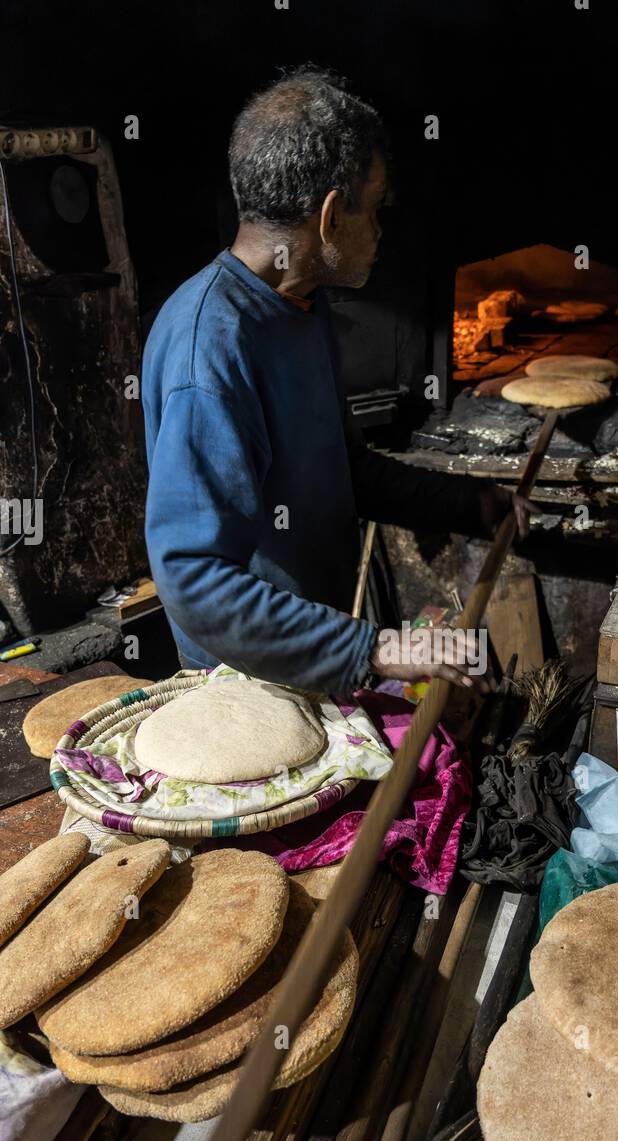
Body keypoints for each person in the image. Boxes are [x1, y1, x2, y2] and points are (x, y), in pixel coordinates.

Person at [142, 66, 536, 696]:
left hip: (311, 654)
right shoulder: (210, 348)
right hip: (241, 688)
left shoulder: (301, 306)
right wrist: (376, 647)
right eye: (375, 210)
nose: (380, 233)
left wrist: (470, 504)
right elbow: (192, 579)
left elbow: (343, 470)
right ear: (329, 217)